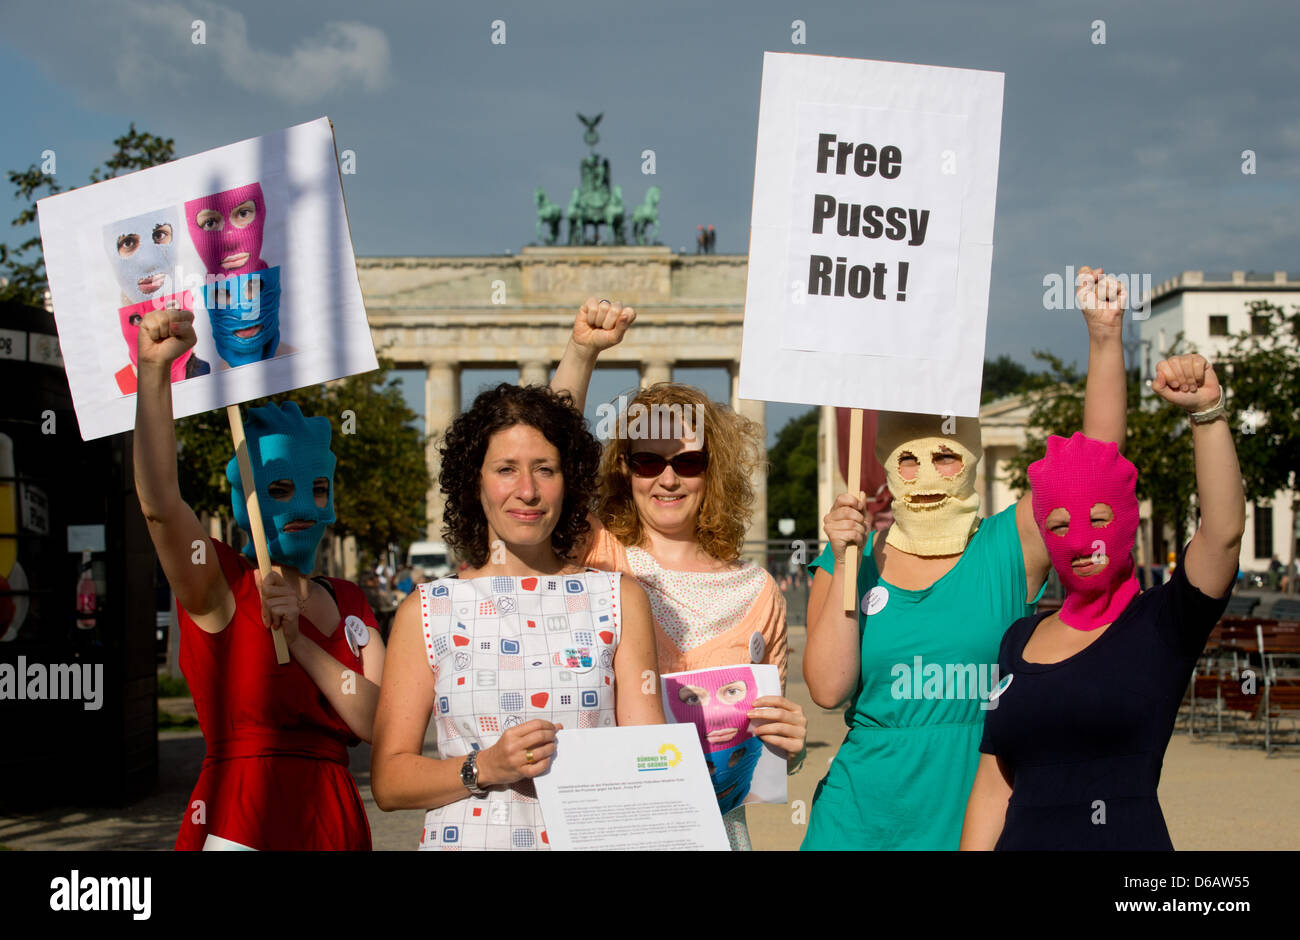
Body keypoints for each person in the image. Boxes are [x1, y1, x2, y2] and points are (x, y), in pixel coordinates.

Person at [799, 266, 1129, 850]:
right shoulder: (850, 554)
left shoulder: (1008, 545)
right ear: (886, 467)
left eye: (946, 457)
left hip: (974, 819)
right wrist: (847, 558)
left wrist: (1103, 337)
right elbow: (827, 689)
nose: (926, 475)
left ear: (971, 457)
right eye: (907, 461)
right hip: (856, 820)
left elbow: (1093, 466)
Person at [551, 298, 809, 850]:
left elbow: (764, 756)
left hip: (717, 835)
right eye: (648, 460)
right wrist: (582, 353)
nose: (667, 479)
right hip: (613, 832)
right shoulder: (599, 554)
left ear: (711, 472)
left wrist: (789, 745)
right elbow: (550, 458)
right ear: (625, 467)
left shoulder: (761, 593)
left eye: (687, 462)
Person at [961, 353, 1243, 849]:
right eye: (1059, 526)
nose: (1080, 541)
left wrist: (1208, 414)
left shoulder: (1163, 622)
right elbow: (992, 789)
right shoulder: (1019, 639)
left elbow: (1221, 534)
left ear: (1127, 520)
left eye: (1097, 518)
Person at [132, 305, 384, 851]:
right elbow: (159, 505)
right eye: (276, 490)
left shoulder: (350, 602)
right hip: (242, 813)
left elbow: (376, 723)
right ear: (243, 501)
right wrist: (153, 375)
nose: (305, 506)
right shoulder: (219, 583)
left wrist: (300, 643)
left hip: (331, 813)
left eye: (319, 490)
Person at [370, 383, 663, 850]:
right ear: (475, 481)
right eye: (506, 469)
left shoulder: (620, 598)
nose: (527, 491)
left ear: (570, 481)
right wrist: (485, 767)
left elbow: (649, 758)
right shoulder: (425, 609)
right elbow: (388, 780)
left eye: (545, 469)